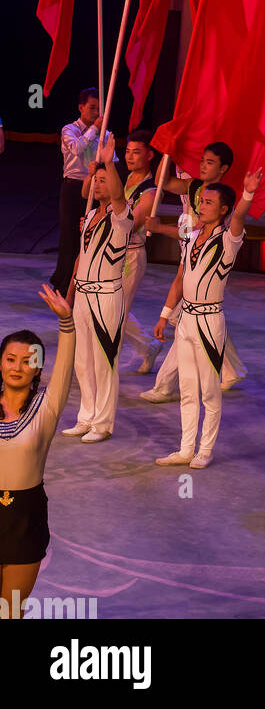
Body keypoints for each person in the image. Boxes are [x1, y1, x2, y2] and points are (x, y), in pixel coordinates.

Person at [152, 169, 261, 469]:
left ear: (223, 209)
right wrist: (165, 315)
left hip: (210, 322)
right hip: (185, 318)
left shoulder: (228, 239)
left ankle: (205, 450)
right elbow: (179, 278)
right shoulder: (191, 236)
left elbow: (238, 220)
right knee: (187, 388)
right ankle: (186, 448)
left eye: (210, 202)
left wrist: (248, 194)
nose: (203, 205)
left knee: (209, 391)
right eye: (203, 200)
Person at [141, 142, 246, 400]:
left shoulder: (222, 199)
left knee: (185, 317)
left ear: (223, 168)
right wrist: (169, 146)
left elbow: (194, 230)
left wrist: (160, 228)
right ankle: (232, 369)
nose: (202, 165)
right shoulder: (194, 185)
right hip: (189, 249)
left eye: (209, 162)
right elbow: (162, 181)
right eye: (202, 159)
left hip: (206, 255)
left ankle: (165, 384)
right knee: (197, 317)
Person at [0, 284, 75, 614]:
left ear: (39, 367)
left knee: (10, 611)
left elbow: (66, 366)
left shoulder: (47, 407)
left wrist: (67, 321)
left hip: (25, 518)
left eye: (27, 361)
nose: (17, 367)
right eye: (10, 359)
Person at [61, 134, 134, 442]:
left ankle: (102, 423)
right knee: (83, 361)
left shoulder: (122, 215)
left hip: (106, 295)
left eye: (103, 181)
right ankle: (86, 417)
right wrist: (70, 291)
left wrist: (110, 159)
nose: (97, 185)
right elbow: (82, 255)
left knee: (104, 362)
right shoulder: (90, 214)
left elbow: (118, 195)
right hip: (84, 294)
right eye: (95, 180)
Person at [120, 130, 163, 376]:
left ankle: (108, 363)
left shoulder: (150, 191)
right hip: (113, 251)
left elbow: (129, 225)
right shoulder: (125, 178)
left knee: (115, 312)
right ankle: (149, 348)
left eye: (136, 152)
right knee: (115, 310)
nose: (130, 157)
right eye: (127, 151)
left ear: (149, 155)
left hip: (131, 256)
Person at [51, 87, 102, 296]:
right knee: (70, 235)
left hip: (95, 188)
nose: (96, 113)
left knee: (91, 236)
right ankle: (63, 283)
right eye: (92, 108)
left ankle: (85, 282)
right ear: (81, 108)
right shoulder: (69, 129)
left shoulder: (104, 132)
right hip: (73, 187)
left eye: (99, 109)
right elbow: (77, 148)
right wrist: (94, 130)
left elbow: (112, 161)